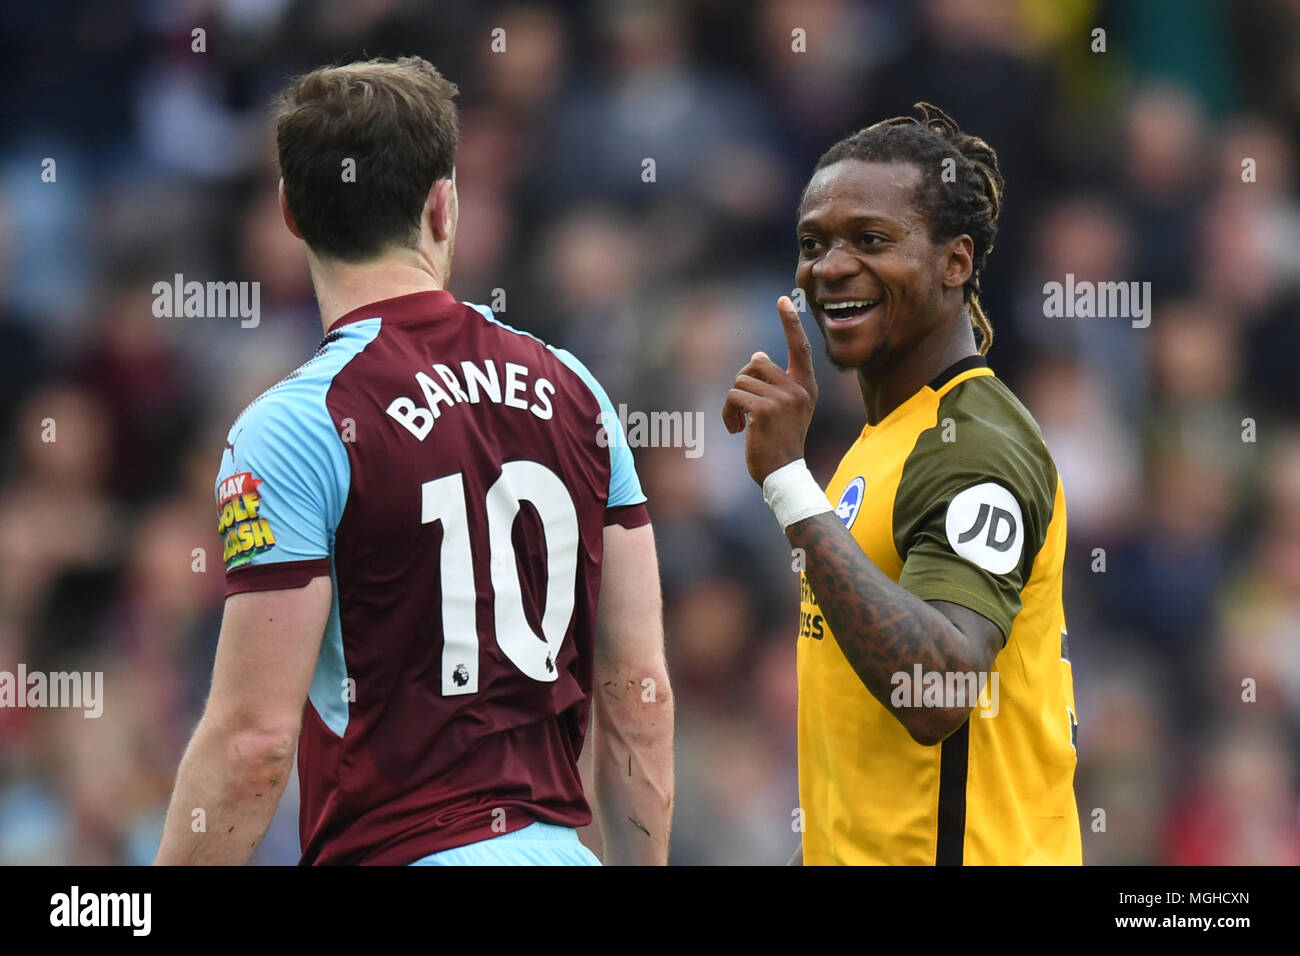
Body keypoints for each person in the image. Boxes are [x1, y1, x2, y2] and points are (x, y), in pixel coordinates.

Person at [155, 57, 673, 866]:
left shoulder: (295, 426)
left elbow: (253, 747)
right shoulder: (577, 391)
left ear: (291, 213)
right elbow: (639, 692)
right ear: (444, 203)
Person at [723, 103, 1080, 865]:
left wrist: (788, 482)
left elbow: (939, 692)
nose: (830, 267)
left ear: (955, 262)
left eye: (871, 240)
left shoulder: (972, 443)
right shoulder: (880, 443)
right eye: (813, 243)